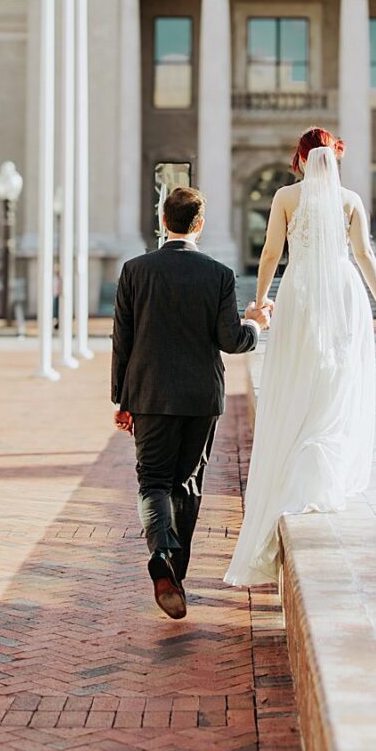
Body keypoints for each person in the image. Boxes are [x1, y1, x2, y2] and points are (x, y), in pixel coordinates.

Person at [223, 127, 376, 588]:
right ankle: (326, 472)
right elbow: (362, 254)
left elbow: (272, 252)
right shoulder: (350, 199)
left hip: (299, 291)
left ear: (299, 160)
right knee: (340, 376)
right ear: (335, 158)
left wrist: (260, 300)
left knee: (304, 370)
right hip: (343, 292)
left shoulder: (285, 197)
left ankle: (307, 466)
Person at [110, 185, 265, 620]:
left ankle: (161, 553)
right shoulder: (218, 274)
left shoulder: (135, 271)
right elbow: (232, 342)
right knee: (188, 483)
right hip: (201, 397)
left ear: (163, 221)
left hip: (149, 394)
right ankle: (176, 573)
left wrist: (121, 399)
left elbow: (121, 340)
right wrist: (256, 323)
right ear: (199, 224)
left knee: (153, 482)